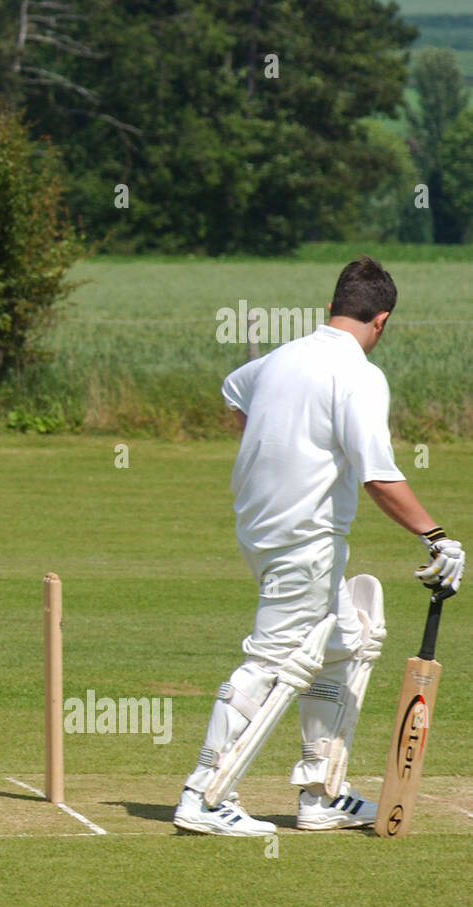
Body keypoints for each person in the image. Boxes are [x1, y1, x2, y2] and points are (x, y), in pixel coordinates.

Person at [173, 256, 464, 836]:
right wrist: (436, 537)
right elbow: (378, 475)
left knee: (347, 642)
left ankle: (320, 791)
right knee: (274, 657)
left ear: (334, 307)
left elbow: (234, 392)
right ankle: (203, 797)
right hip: (304, 536)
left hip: (260, 526)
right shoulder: (358, 374)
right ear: (381, 320)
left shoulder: (282, 357)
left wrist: (278, 451)